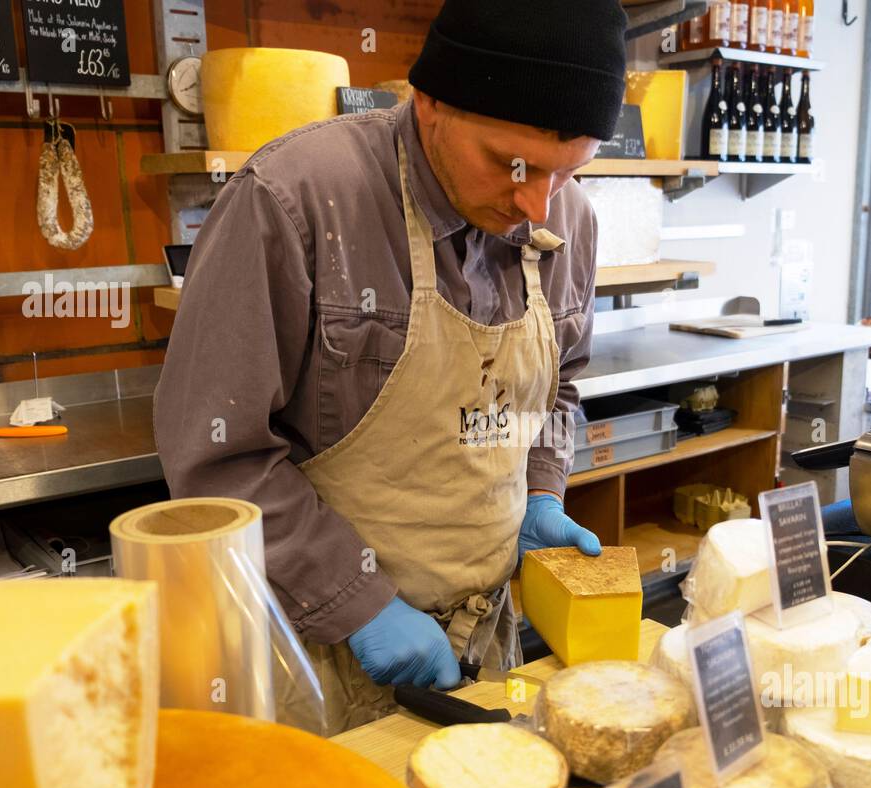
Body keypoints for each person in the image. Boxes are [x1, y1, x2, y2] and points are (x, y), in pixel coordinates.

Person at [153, 0, 630, 732]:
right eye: (514, 164)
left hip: (482, 650)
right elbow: (216, 458)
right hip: (311, 662)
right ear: (429, 101)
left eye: (567, 172)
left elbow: (558, 388)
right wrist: (360, 600)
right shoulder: (297, 200)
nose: (538, 203)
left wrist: (541, 492)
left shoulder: (568, 219)